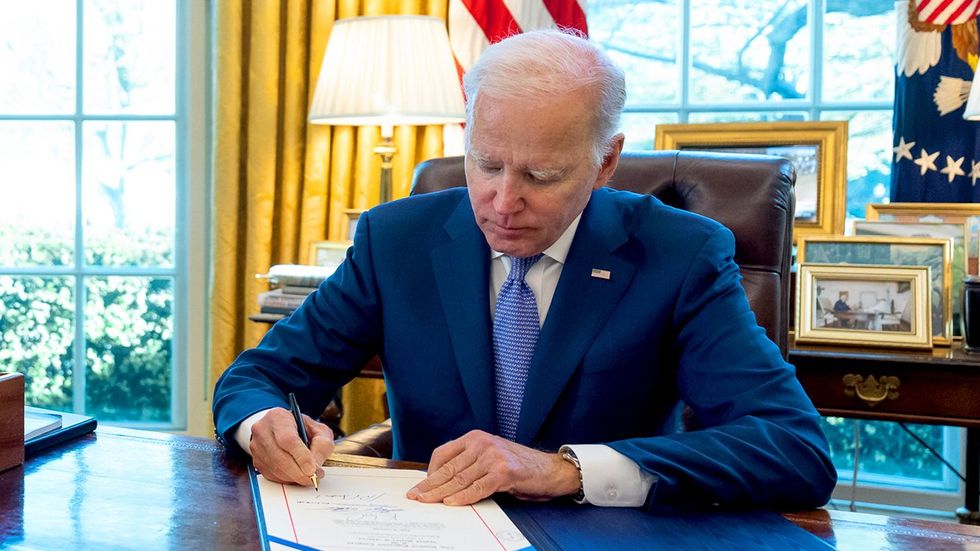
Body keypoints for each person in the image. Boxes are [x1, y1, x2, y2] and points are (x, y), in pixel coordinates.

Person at [213, 29, 836, 511]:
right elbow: (260, 376)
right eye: (486, 164)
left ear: (605, 162)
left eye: (542, 176)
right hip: (423, 531)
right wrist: (261, 424)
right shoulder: (396, 239)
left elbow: (794, 449)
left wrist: (566, 470)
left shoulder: (679, 254)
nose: (503, 202)